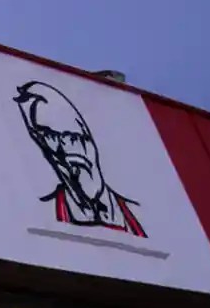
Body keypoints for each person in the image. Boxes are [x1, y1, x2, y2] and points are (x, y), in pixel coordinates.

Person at [14, 81, 146, 238]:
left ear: (91, 142)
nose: (63, 149)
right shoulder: (43, 215)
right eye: (50, 138)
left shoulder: (136, 214)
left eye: (72, 138)